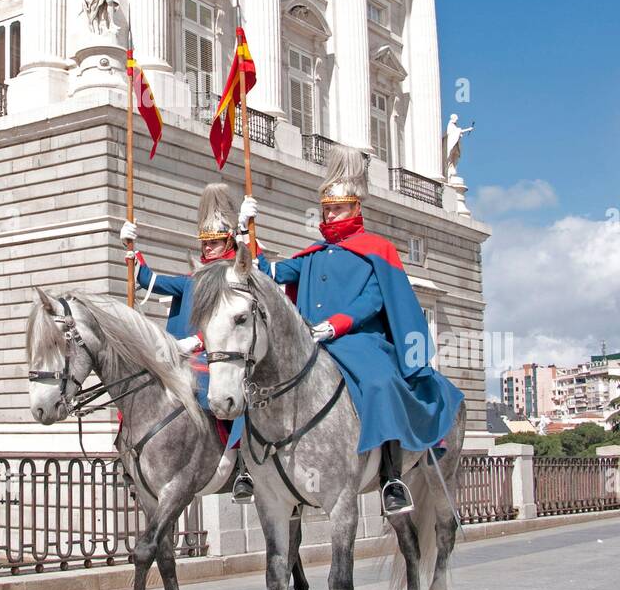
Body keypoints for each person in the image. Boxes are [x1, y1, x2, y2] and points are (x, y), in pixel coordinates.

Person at [252, 148, 464, 516]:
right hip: (313, 342)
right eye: (326, 210)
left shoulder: (376, 248)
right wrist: (249, 241)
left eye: (336, 209)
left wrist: (336, 325)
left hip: (360, 341)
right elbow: (272, 276)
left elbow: (373, 300)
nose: (329, 215)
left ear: (355, 209)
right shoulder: (313, 253)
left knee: (381, 383)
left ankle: (391, 476)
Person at [120, 183, 259, 504]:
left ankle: (244, 466)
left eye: (213, 243)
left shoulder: (234, 278)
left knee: (236, 395)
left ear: (226, 241)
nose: (208, 249)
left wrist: (244, 233)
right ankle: (132, 456)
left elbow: (229, 316)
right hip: (186, 361)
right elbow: (152, 281)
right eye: (205, 243)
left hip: (223, 357)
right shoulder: (194, 278)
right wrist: (131, 249)